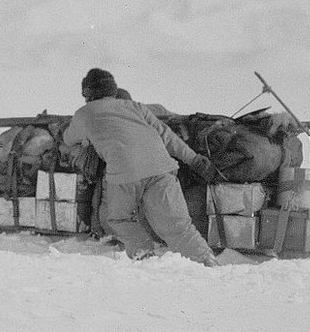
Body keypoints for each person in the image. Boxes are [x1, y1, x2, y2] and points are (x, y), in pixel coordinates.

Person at [62, 68, 220, 266]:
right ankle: (208, 261)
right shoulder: (136, 107)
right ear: (113, 89)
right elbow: (168, 136)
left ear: (87, 93)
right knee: (178, 227)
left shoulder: (84, 113)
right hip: (162, 169)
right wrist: (194, 159)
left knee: (120, 219)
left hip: (125, 174)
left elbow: (68, 139)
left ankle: (145, 257)